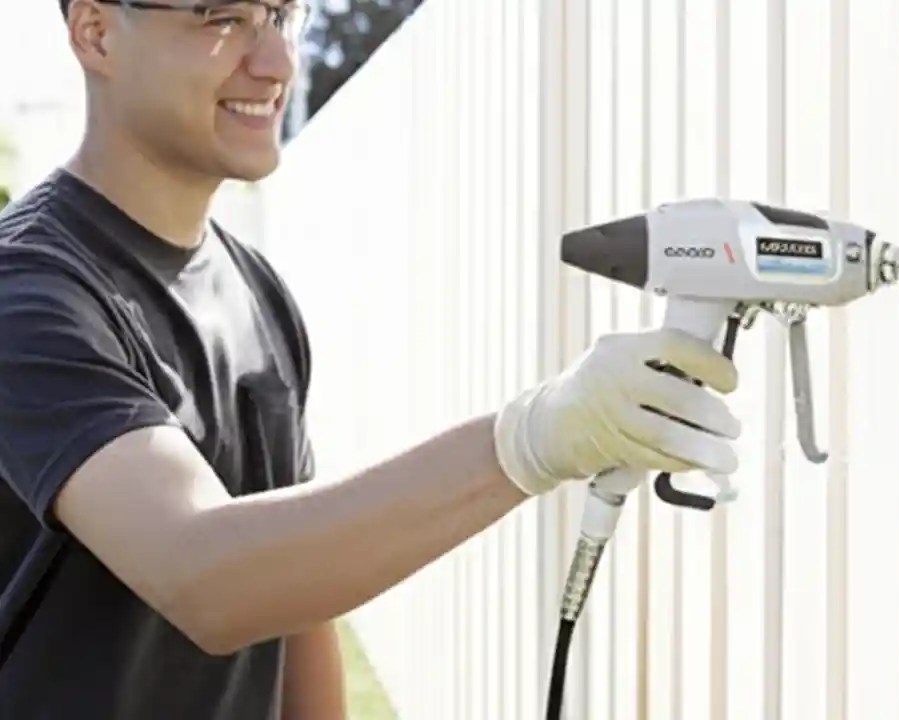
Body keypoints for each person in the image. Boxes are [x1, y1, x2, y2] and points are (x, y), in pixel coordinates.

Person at [0, 2, 741, 718]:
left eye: (282, 15)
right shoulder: (31, 294)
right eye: (222, 19)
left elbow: (296, 602)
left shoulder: (254, 289)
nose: (277, 62)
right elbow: (204, 576)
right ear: (96, 33)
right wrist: (529, 440)